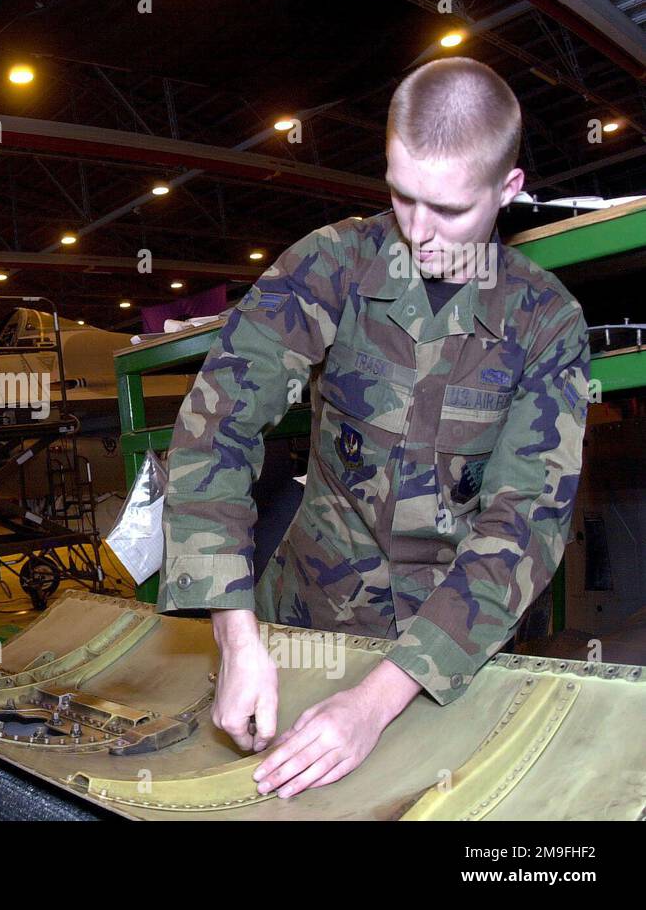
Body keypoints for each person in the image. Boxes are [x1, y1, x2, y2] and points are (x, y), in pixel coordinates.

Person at [161, 57, 590, 799]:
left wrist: (374, 702)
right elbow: (217, 426)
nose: (419, 232)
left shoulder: (547, 323)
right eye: (400, 195)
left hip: (451, 650)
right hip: (307, 622)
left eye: (448, 209)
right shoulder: (331, 265)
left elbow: (523, 527)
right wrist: (234, 630)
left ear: (508, 188)